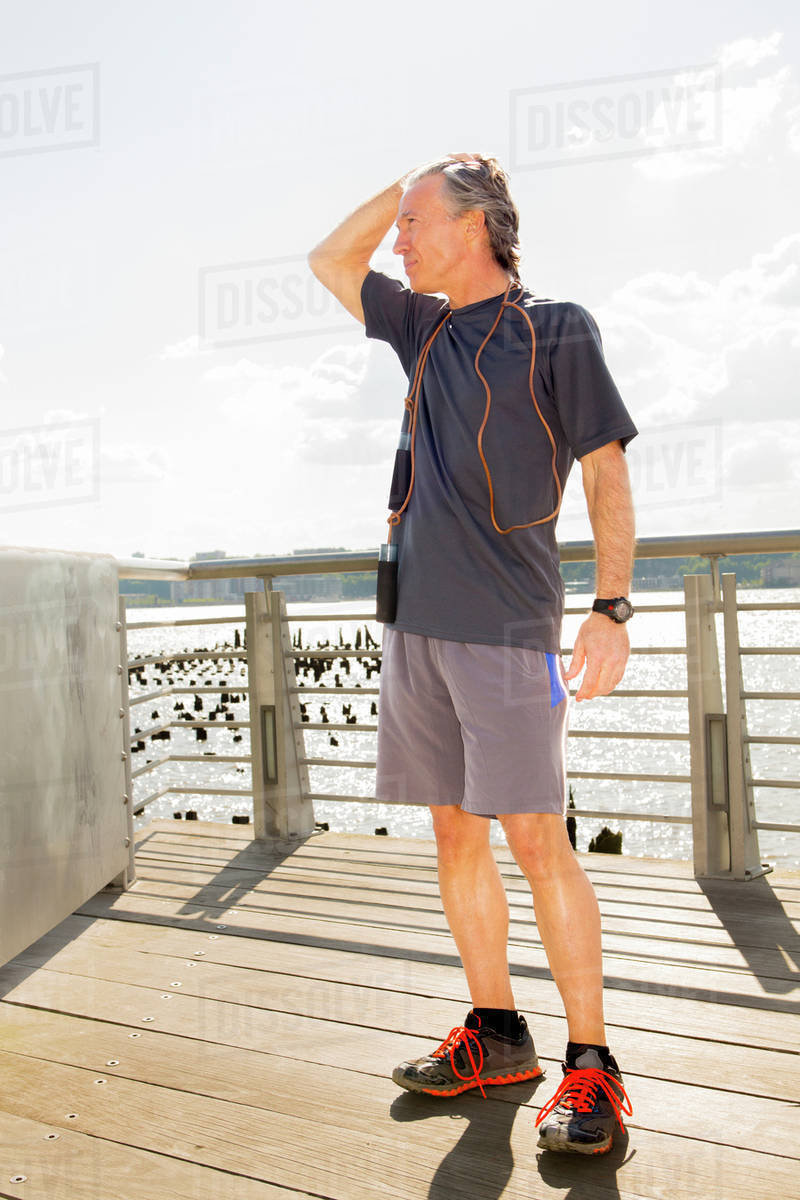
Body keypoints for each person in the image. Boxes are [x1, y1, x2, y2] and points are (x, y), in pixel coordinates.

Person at [308, 154, 636, 1156]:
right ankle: (496, 1036)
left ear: (476, 226)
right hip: (415, 626)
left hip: (505, 629)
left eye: (416, 222)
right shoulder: (423, 327)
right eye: (400, 223)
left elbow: (604, 471)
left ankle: (592, 1067)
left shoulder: (556, 329)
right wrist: (404, 181)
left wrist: (610, 608)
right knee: (455, 836)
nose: (399, 240)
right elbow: (330, 259)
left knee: (537, 843)